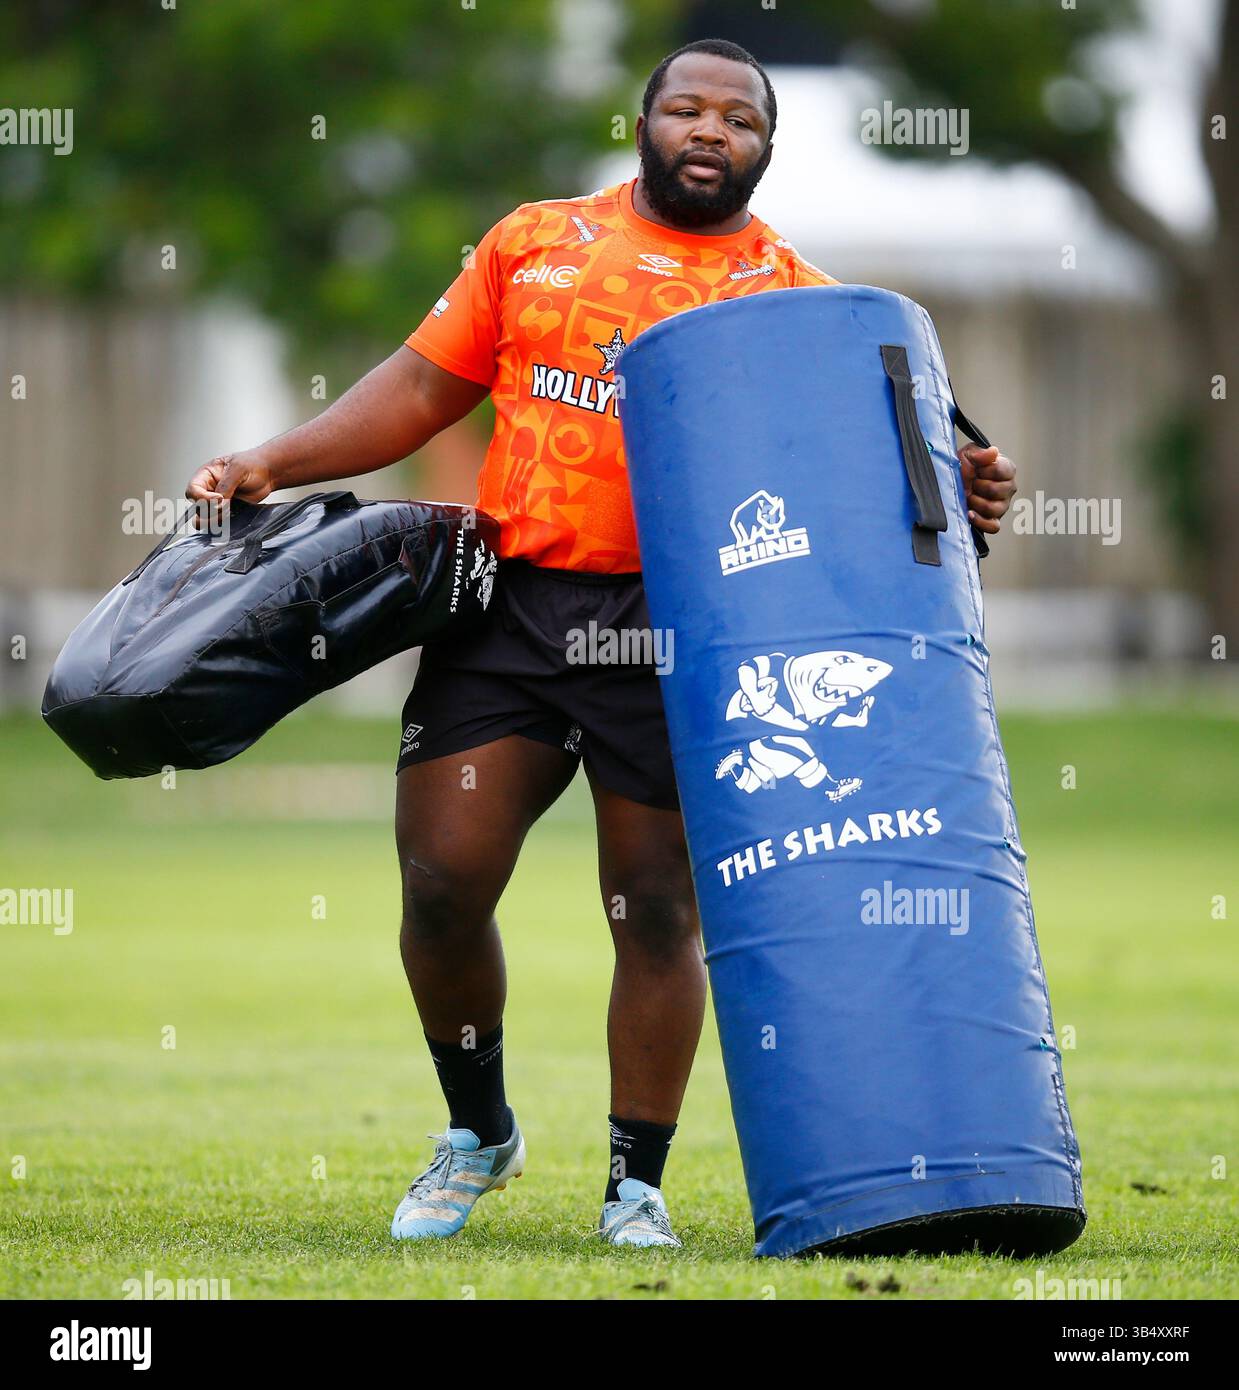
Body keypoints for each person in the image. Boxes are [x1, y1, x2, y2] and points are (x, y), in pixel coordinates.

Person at [185, 37, 1018, 1249]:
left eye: (738, 118)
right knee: (442, 877)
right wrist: (272, 458)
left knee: (655, 906)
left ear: (767, 149)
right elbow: (421, 390)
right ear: (643, 123)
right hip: (511, 604)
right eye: (686, 107)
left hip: (681, 629)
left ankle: (637, 1183)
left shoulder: (795, 301)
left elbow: (912, 450)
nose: (708, 130)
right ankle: (479, 1131)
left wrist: (971, 484)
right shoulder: (535, 242)